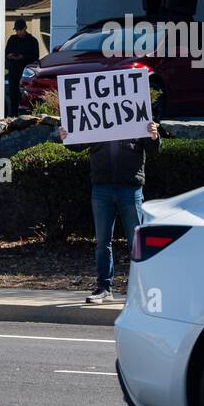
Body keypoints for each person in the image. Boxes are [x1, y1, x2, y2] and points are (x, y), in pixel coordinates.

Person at [58, 120, 160, 304]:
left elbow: (153, 149)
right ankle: (104, 288)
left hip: (131, 189)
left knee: (136, 243)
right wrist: (68, 137)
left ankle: (140, 289)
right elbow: (79, 144)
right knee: (103, 242)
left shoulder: (138, 117)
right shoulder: (97, 119)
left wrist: (154, 136)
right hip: (102, 188)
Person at [4, 19, 41, 116]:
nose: (19, 32)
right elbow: (6, 53)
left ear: (25, 28)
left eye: (20, 30)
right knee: (13, 96)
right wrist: (10, 56)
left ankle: (27, 116)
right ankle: (13, 116)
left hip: (26, 73)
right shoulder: (12, 39)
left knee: (26, 96)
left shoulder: (32, 41)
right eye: (17, 30)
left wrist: (23, 57)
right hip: (13, 72)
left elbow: (35, 57)